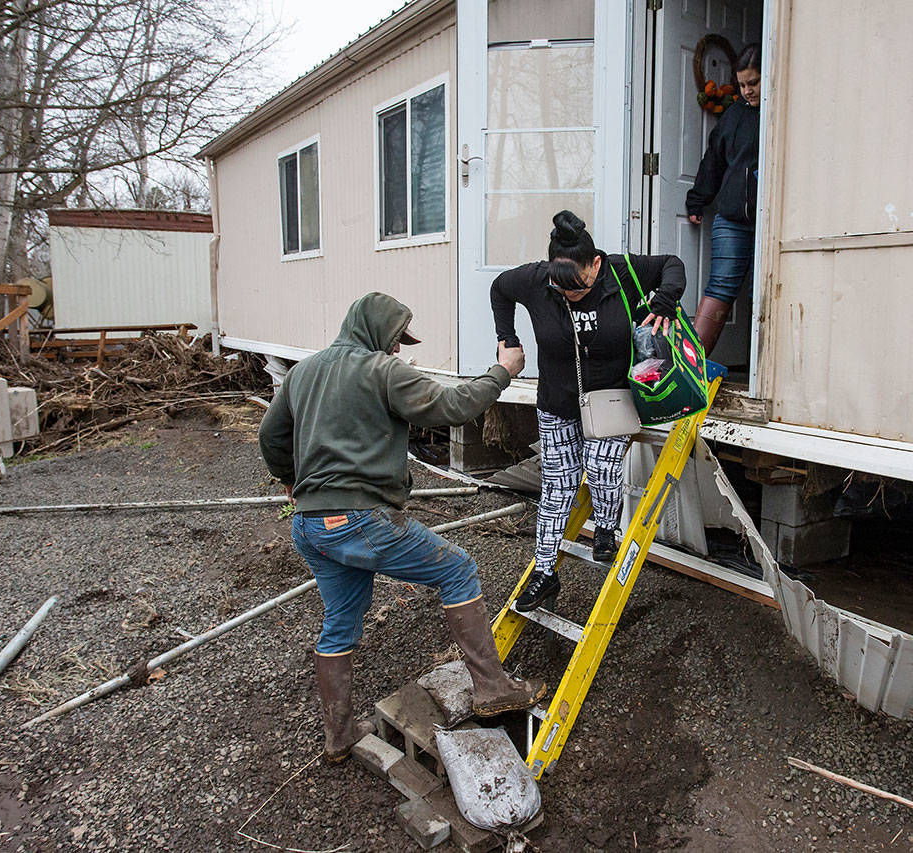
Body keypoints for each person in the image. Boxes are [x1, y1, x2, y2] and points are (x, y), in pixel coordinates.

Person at [259, 292, 546, 764]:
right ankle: (493, 688)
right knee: (457, 569)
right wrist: (503, 371)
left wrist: (291, 480)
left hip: (311, 525)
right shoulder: (381, 370)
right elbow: (454, 406)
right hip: (360, 520)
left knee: (340, 622)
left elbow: (271, 436)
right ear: (375, 331)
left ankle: (339, 736)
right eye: (395, 339)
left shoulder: (303, 373)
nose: (396, 348)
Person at [490, 211, 686, 612]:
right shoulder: (536, 280)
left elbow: (673, 264)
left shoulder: (620, 271)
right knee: (556, 488)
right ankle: (544, 573)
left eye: (578, 286)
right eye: (561, 288)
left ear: (595, 264)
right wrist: (506, 337)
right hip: (558, 403)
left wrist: (664, 300)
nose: (569, 294)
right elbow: (499, 289)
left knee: (600, 469)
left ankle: (607, 528)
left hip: (612, 400)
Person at [687, 43, 762, 355]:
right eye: (742, 85)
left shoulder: (781, 113)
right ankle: (692, 365)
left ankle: (760, 368)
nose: (747, 91)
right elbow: (714, 161)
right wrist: (697, 200)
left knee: (763, 292)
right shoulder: (733, 116)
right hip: (732, 219)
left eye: (753, 83)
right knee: (720, 287)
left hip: (770, 221)